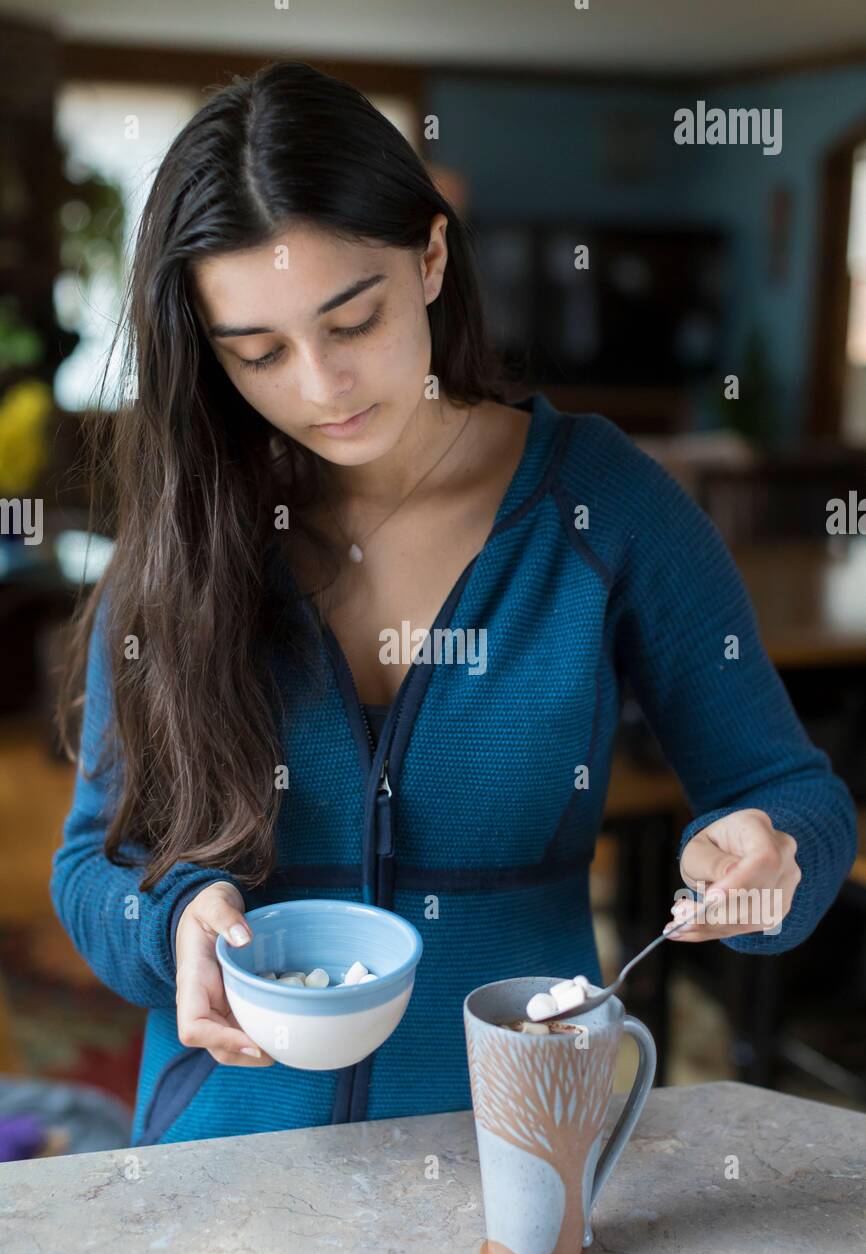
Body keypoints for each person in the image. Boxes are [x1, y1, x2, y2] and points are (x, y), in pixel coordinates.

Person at [50, 61, 857, 1145]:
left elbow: (787, 791)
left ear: (429, 256)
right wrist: (171, 920)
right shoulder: (186, 538)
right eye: (259, 353)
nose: (320, 387)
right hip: (223, 1158)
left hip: (521, 1147)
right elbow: (91, 862)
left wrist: (768, 859)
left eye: (352, 320)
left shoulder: (602, 505)